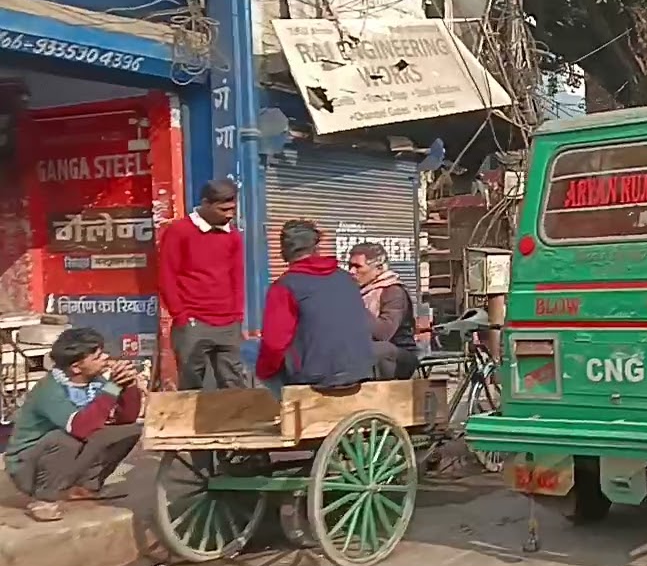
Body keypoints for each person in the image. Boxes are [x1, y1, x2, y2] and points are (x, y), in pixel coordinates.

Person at [4, 328, 143, 522]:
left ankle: (85, 487)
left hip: (63, 453)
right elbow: (80, 428)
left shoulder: (95, 382)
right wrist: (112, 388)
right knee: (67, 439)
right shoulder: (50, 390)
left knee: (129, 431)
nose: (105, 358)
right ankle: (43, 500)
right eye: (97, 356)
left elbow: (125, 419)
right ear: (76, 367)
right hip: (27, 467)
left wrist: (128, 386)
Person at [248, 219, 375, 390]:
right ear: (316, 247)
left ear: (284, 251)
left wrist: (264, 372)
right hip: (360, 371)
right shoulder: (346, 278)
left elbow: (274, 344)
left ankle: (280, 403)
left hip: (315, 377)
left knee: (249, 350)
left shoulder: (285, 286)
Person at [158, 179, 248, 390]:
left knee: (233, 384)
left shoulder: (233, 235)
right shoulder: (179, 231)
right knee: (192, 384)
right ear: (206, 204)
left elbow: (237, 277)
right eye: (223, 209)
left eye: (232, 209)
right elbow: (167, 276)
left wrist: (237, 316)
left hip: (228, 323)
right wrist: (181, 315)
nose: (229, 214)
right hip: (193, 322)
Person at [347, 242, 419, 380]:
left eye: (358, 267)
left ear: (379, 268)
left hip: (398, 357)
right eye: (350, 266)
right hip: (366, 351)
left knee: (379, 350)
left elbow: (384, 333)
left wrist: (354, 306)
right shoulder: (358, 291)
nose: (352, 271)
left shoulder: (393, 291)